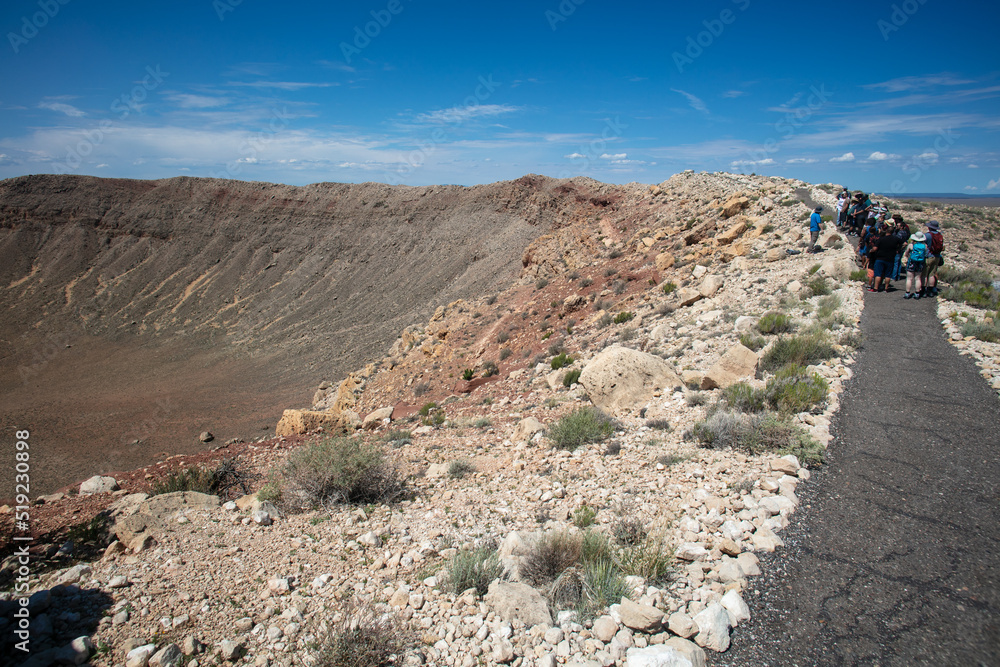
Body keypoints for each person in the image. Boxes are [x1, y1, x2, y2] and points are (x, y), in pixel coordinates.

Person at [869, 224, 901, 292]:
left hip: (880, 258)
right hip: (890, 258)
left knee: (878, 274)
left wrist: (871, 250)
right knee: (888, 275)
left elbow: (875, 248)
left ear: (886, 231)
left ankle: (875, 288)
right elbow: (904, 243)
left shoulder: (882, 239)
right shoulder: (896, 239)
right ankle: (886, 288)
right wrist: (898, 249)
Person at [902, 231, 928, 299]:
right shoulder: (925, 246)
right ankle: (917, 293)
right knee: (917, 278)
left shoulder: (911, 245)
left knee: (909, 278)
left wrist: (907, 257)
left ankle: (907, 293)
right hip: (920, 263)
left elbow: (906, 253)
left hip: (912, 262)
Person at [922, 219, 945, 297]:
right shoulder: (939, 235)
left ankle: (923, 290)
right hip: (937, 256)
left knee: (925, 274)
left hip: (928, 256)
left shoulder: (927, 235)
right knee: (932, 274)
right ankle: (931, 290)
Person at [890, 214, 910, 282]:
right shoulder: (905, 232)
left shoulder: (900, 233)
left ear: (901, 226)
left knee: (895, 263)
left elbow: (896, 240)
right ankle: (897, 276)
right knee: (899, 263)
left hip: (898, 249)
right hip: (902, 248)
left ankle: (894, 276)